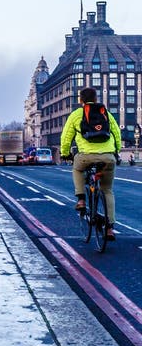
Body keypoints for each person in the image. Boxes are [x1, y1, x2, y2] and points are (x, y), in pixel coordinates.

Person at [60, 87, 121, 241]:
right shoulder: (104, 112)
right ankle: (109, 228)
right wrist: (116, 151)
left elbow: (66, 137)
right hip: (108, 157)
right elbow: (116, 133)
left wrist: (65, 153)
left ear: (81, 100)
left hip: (85, 156)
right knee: (107, 190)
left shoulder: (75, 115)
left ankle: (81, 199)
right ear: (95, 98)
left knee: (77, 169)